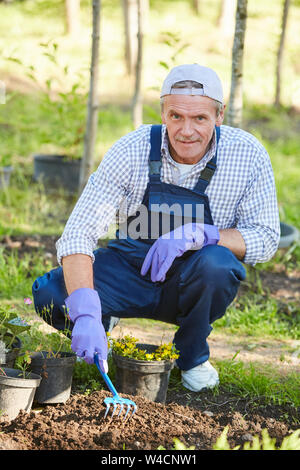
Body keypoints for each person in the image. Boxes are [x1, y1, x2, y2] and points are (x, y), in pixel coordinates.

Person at [32, 64, 280, 392]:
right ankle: (100, 325)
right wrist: (85, 311)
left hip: (191, 280)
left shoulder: (247, 156)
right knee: (50, 293)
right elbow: (78, 232)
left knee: (217, 266)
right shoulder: (131, 149)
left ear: (219, 117)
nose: (186, 130)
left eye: (200, 119)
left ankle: (191, 356)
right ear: (163, 112)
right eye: (176, 116)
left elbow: (266, 236)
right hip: (129, 272)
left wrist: (205, 234)